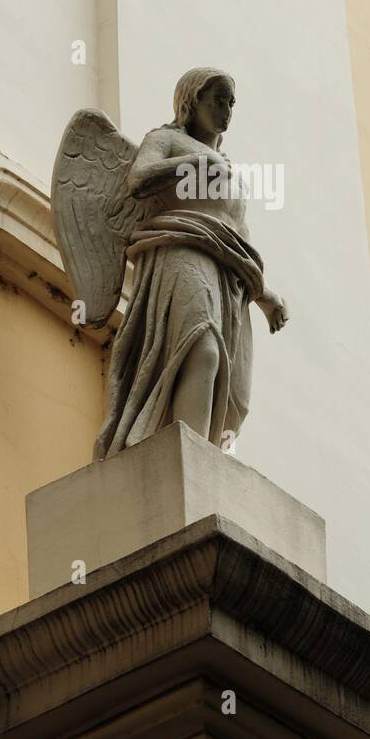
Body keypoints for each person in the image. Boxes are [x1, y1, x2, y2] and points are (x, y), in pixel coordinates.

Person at [93, 67, 288, 460]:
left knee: (225, 379)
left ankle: (200, 457)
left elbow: (236, 231)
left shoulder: (225, 165)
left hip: (226, 272)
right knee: (202, 349)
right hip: (181, 250)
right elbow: (139, 179)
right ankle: (187, 459)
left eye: (231, 102)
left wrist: (264, 293)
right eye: (216, 99)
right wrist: (192, 166)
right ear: (191, 100)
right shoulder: (166, 139)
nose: (226, 110)